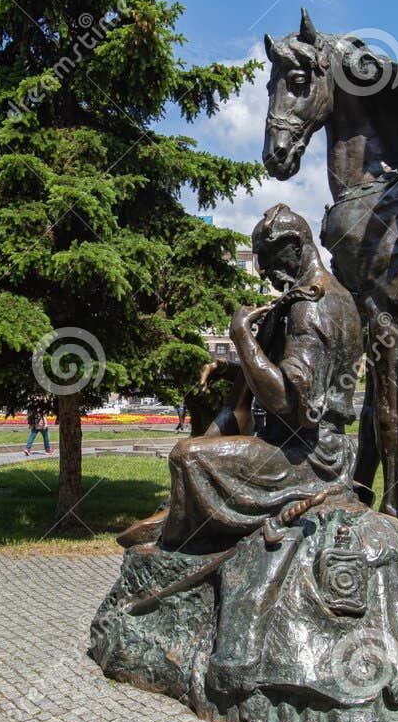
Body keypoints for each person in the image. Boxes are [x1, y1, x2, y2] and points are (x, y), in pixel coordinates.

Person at [118, 205, 362, 551]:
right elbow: (297, 379)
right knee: (197, 451)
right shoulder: (319, 296)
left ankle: (170, 546)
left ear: (295, 244)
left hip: (308, 458)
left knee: (188, 456)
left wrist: (242, 338)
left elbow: (289, 404)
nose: (262, 271)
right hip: (300, 449)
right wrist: (237, 369)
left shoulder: (312, 305)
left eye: (266, 257)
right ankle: (172, 526)